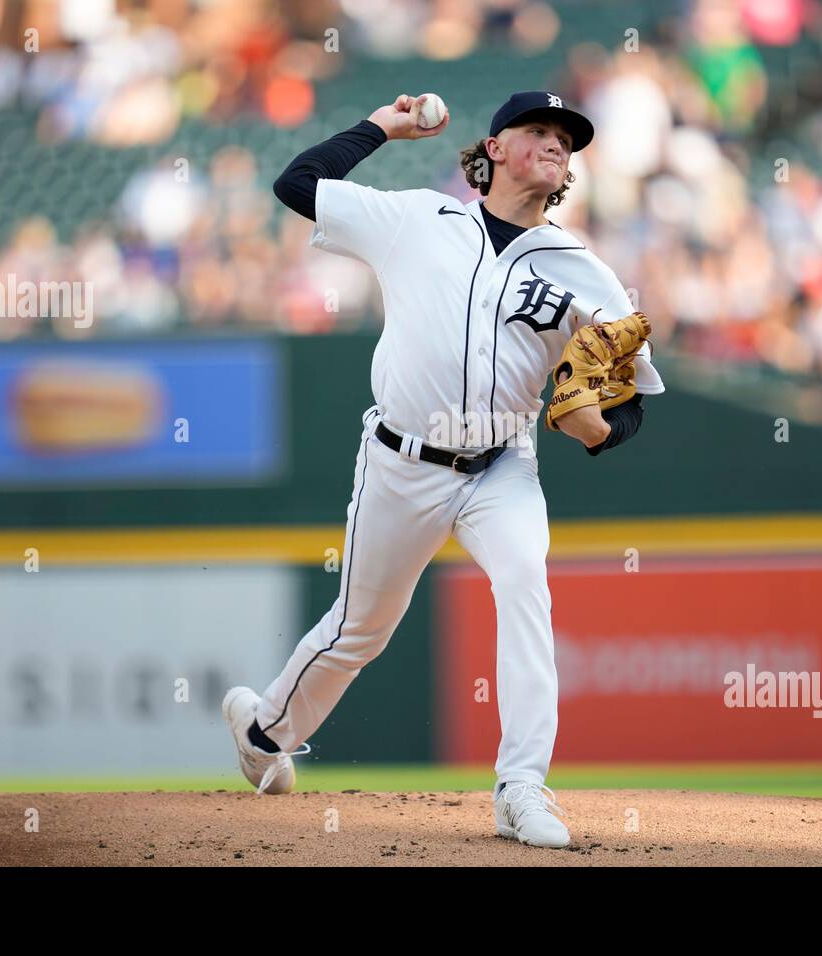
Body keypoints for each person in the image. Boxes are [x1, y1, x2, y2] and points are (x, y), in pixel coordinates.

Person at [221, 91, 665, 849]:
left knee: (526, 584)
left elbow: (630, 402)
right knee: (360, 631)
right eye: (538, 131)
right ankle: (265, 734)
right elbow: (296, 183)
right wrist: (382, 128)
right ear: (492, 149)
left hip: (503, 465)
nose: (556, 144)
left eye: (567, 137)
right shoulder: (418, 219)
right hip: (400, 462)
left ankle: (522, 787)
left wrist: (600, 429)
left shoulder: (585, 272)